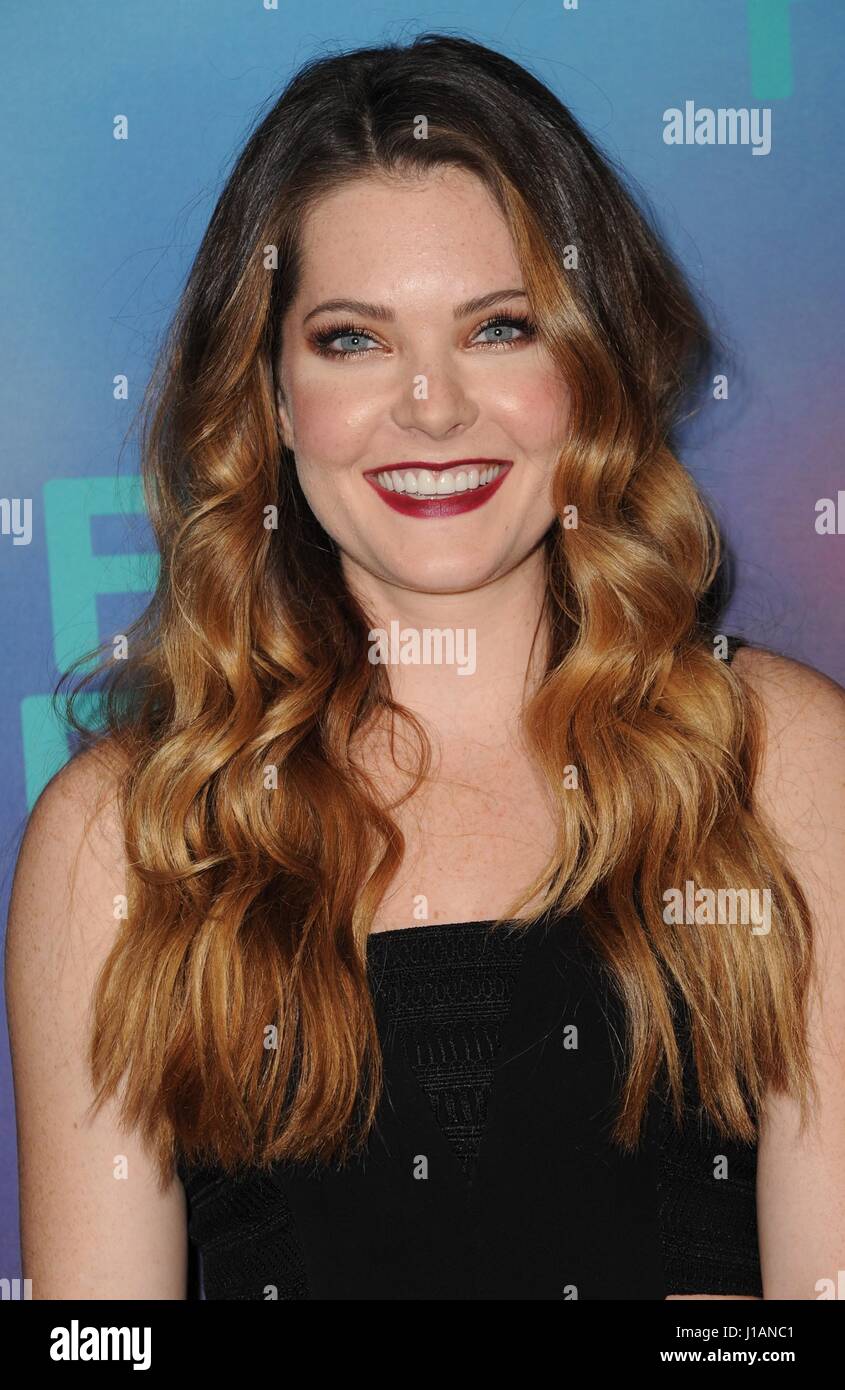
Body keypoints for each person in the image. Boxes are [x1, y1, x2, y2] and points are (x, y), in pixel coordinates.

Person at [6, 32, 844, 1301]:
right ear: (274, 397)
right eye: (351, 340)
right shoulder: (128, 839)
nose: (431, 405)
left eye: (499, 328)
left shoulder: (777, 765)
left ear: (592, 368)